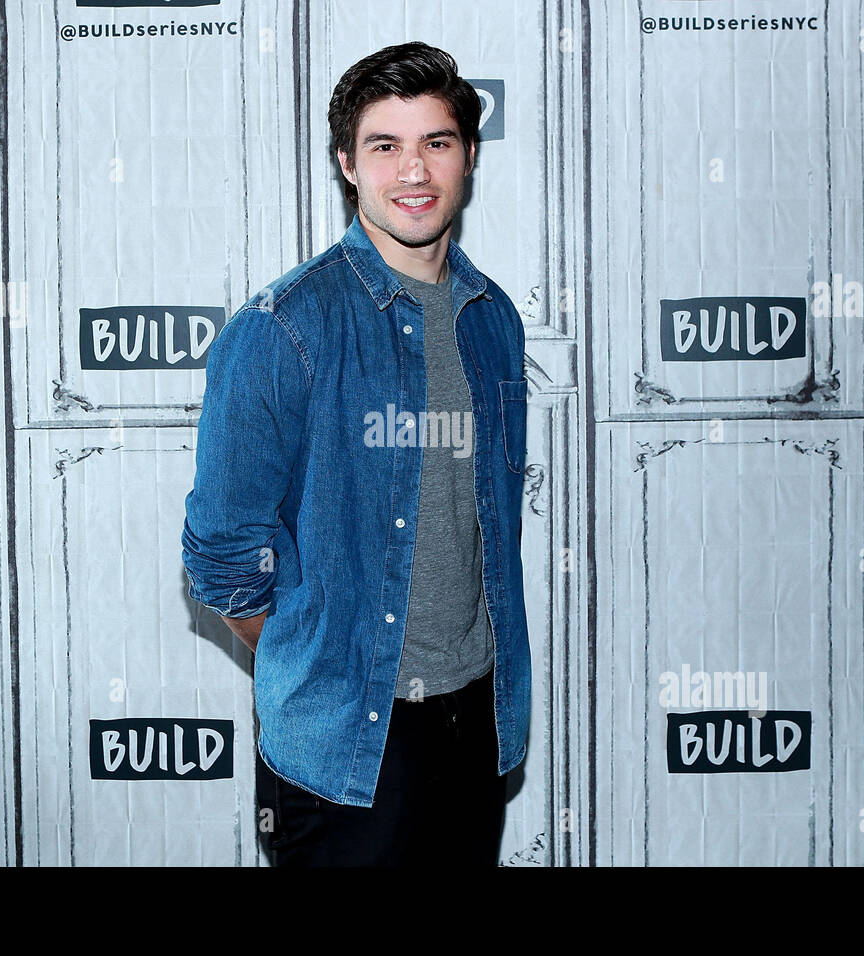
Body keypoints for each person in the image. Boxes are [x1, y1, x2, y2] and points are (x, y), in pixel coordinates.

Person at [181, 40, 530, 866]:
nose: (414, 170)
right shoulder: (281, 329)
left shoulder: (494, 321)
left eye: (436, 143)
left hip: (474, 720)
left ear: (468, 156)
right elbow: (223, 560)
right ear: (347, 162)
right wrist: (324, 658)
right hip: (346, 747)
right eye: (386, 145)